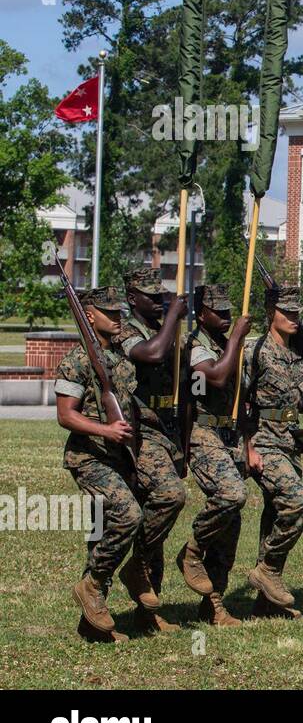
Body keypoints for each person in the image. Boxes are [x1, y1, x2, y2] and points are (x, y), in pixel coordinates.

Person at [242, 284, 303, 613]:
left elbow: (300, 402)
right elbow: (239, 403)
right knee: (298, 501)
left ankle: (266, 600)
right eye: (287, 312)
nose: (293, 318)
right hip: (263, 440)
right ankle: (268, 569)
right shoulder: (255, 351)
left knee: (275, 512)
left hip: (289, 441)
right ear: (271, 313)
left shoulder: (297, 355)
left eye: (297, 313)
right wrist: (248, 447)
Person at [54, 286, 141, 642]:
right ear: (89, 316)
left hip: (119, 456)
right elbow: (65, 415)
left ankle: (93, 624)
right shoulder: (76, 361)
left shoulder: (119, 357)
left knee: (101, 534)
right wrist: (106, 430)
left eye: (120, 312)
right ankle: (91, 585)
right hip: (88, 457)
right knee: (129, 516)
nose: (118, 318)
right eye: (110, 313)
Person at [119, 266, 190, 632]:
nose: (160, 300)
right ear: (133, 298)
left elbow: (185, 384)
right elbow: (153, 354)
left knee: (157, 519)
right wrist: (174, 316)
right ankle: (134, 567)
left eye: (162, 295)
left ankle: (148, 613)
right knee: (170, 496)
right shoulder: (127, 331)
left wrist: (184, 445)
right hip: (139, 431)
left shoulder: (166, 329)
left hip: (167, 431)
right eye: (152, 296)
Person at [179, 285, 252, 625]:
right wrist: (237, 336)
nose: (225, 317)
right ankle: (192, 549)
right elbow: (218, 378)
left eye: (228, 312)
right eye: (218, 312)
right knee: (231, 495)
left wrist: (248, 443)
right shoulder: (195, 345)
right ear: (201, 314)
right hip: (203, 432)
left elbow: (243, 397)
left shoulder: (228, 345)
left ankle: (214, 605)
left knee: (230, 525)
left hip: (231, 434)